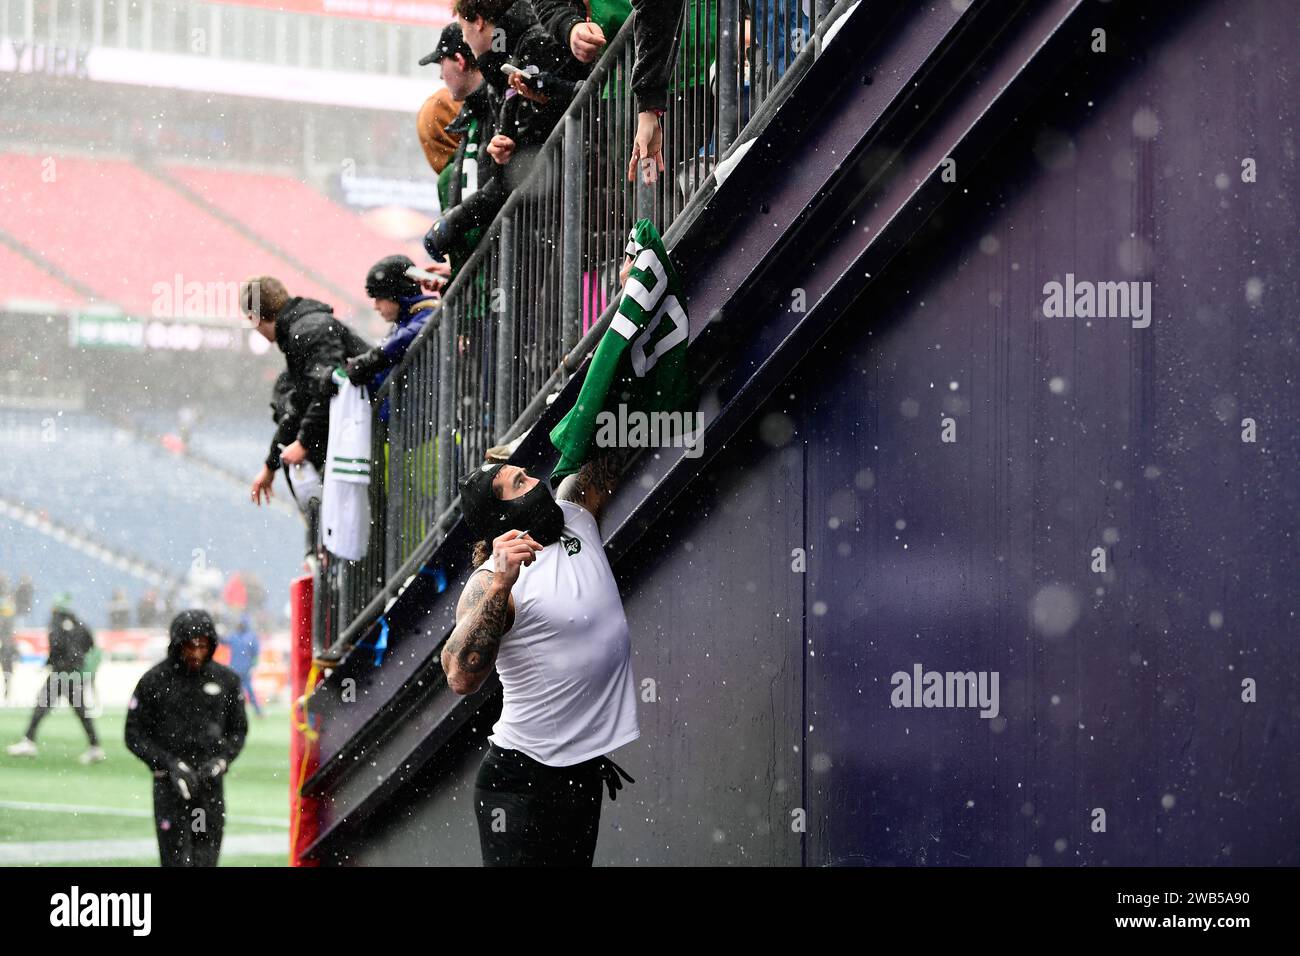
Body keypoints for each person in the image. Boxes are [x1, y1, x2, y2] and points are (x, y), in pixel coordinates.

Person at [443, 447, 638, 866]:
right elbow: (459, 676)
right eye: (519, 483)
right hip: (520, 783)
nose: (535, 482)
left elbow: (606, 443)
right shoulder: (491, 583)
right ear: (500, 520)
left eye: (526, 473)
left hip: (582, 774)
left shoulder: (577, 516)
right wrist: (500, 585)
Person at [125, 610, 248, 867]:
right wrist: (168, 764)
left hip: (209, 787)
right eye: (190, 646)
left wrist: (222, 761)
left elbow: (238, 731)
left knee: (205, 861)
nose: (195, 653)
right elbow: (133, 735)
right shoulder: (153, 681)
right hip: (169, 787)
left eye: (202, 646)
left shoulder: (226, 681)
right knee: (175, 862)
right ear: (177, 645)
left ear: (211, 646)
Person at [242, 275, 371, 509]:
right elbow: (301, 404)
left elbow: (328, 386)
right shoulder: (301, 329)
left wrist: (303, 442)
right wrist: (271, 465)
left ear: (255, 318)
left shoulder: (308, 330)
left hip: (372, 423)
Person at [5, 594, 104, 764]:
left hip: (60, 674)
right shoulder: (80, 625)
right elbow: (90, 645)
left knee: (41, 707)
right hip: (75, 674)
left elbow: (56, 648)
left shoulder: (56, 626)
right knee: (81, 712)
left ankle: (29, 741)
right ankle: (95, 747)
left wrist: (49, 663)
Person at [345, 255, 440, 409]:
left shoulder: (429, 314)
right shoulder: (401, 325)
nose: (376, 307)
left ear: (395, 294)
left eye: (378, 298)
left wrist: (375, 358)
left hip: (425, 419)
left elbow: (412, 334)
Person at [221, 614, 263, 719]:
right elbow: (256, 653)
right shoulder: (250, 637)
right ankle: (257, 712)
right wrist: (253, 665)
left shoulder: (235, 636)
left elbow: (224, 641)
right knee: (248, 691)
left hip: (236, 669)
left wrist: (217, 633)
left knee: (233, 692)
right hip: (243, 669)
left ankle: (228, 712)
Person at [0, 587, 16, 706]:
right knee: (7, 671)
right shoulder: (9, 619)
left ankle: (7, 690)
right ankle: (7, 690)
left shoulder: (7, 619)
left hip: (6, 647)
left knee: (7, 670)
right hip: (7, 647)